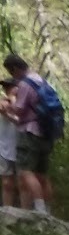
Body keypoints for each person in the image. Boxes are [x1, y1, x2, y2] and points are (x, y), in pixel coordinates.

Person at [2, 55, 55, 214]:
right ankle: (49, 210)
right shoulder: (41, 80)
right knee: (41, 174)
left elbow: (19, 110)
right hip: (47, 132)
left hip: (31, 132)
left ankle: (40, 211)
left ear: (16, 69)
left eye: (12, 73)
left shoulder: (25, 84)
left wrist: (9, 106)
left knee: (25, 172)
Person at [0, 78, 17, 209]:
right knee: (6, 182)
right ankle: (7, 210)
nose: (7, 89)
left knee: (24, 181)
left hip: (21, 147)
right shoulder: (4, 103)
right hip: (4, 148)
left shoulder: (27, 103)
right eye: (5, 87)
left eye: (10, 86)